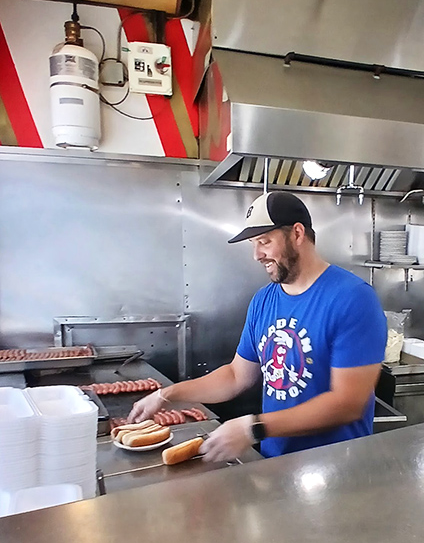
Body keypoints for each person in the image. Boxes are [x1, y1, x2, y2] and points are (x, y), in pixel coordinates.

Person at [128, 191, 387, 461]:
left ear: (297, 234)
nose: (256, 255)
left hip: (336, 467)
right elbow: (236, 376)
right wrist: (166, 395)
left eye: (264, 241)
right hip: (275, 462)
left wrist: (253, 428)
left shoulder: (353, 298)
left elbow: (348, 404)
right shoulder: (264, 300)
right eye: (253, 243)